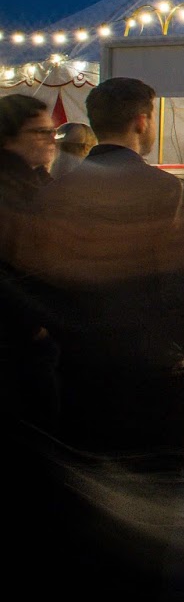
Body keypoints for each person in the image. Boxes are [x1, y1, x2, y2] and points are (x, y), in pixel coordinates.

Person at [28, 77, 184, 458]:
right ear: (142, 122)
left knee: (90, 469)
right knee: (152, 472)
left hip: (78, 357)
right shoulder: (163, 189)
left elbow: (43, 276)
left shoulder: (56, 192)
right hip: (150, 359)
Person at [0, 95, 60, 428]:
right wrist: (33, 322)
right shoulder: (11, 187)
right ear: (8, 136)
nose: (52, 140)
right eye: (40, 132)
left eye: (53, 132)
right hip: (18, 339)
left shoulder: (37, 180)